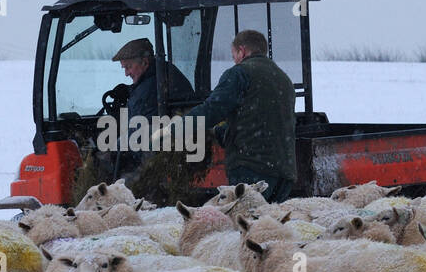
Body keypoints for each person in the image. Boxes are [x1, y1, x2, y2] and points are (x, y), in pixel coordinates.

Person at [186, 28, 296, 202]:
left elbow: (213, 109)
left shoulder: (239, 73)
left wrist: (178, 127)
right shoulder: (282, 78)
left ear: (242, 51)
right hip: (284, 172)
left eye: (234, 55)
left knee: (245, 223)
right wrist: (222, 132)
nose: (235, 60)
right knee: (269, 225)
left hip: (251, 168)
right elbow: (261, 119)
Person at [105, 37, 195, 174]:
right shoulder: (161, 74)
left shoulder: (152, 89)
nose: (126, 73)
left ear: (145, 62)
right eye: (124, 68)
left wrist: (115, 149)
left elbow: (140, 131)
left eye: (129, 67)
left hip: (156, 160)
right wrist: (129, 91)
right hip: (167, 151)